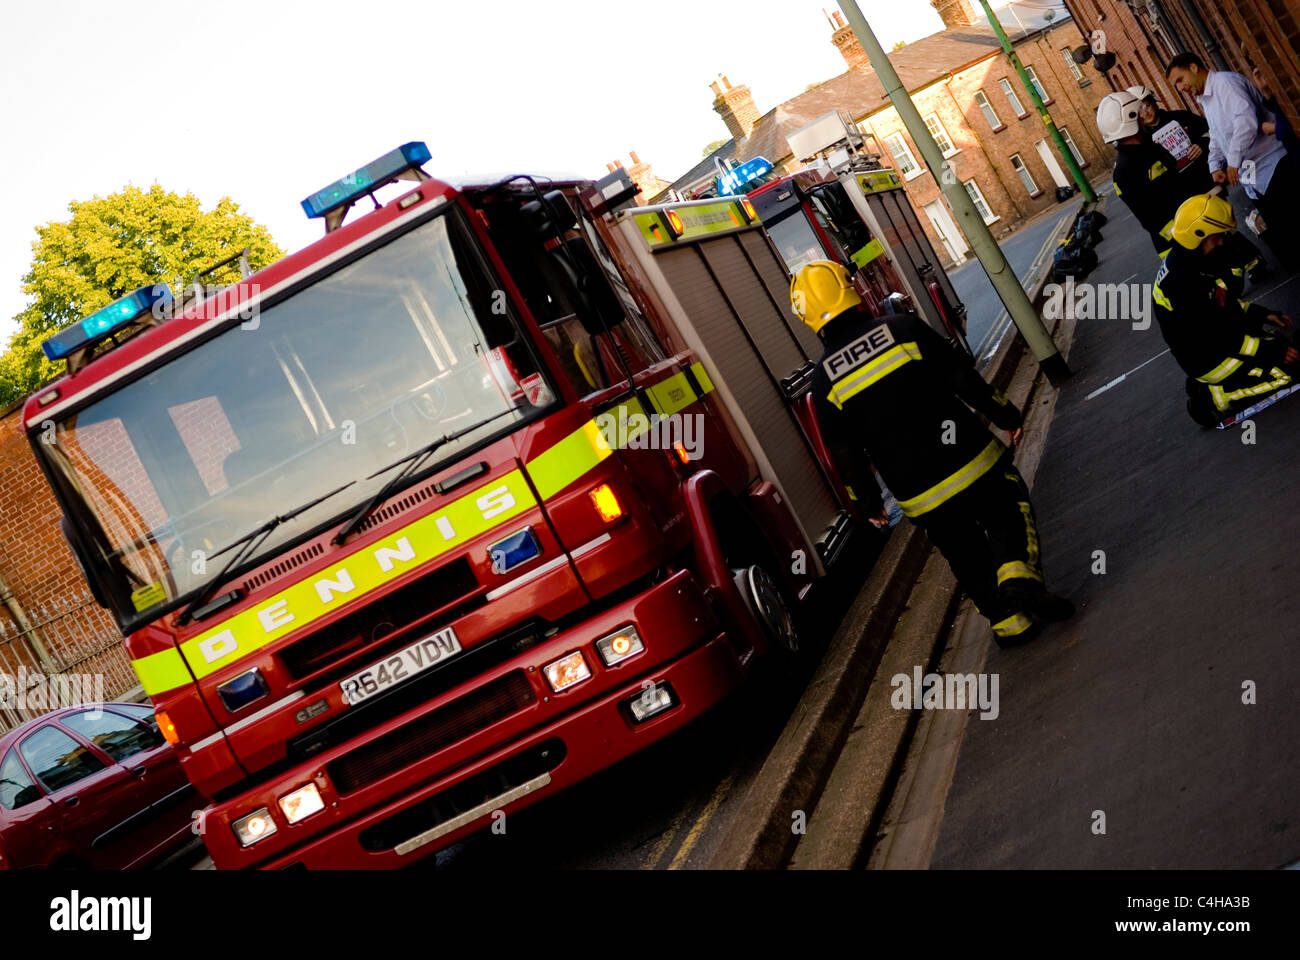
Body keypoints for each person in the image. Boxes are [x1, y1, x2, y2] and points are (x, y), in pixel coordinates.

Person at [792, 260, 1074, 648]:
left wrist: (868, 503)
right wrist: (1004, 413)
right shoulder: (902, 329)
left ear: (806, 314)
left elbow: (844, 452)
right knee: (1007, 505)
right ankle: (1017, 573)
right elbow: (961, 377)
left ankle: (1012, 625)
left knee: (963, 552)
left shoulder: (824, 380)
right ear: (850, 289)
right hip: (969, 458)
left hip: (919, 493)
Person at [1151, 194, 1298, 426]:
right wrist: (1272, 351)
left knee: (1282, 350)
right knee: (1288, 373)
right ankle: (1213, 399)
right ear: (1197, 234)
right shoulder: (1183, 283)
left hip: (1211, 342)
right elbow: (1221, 336)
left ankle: (1212, 383)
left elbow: (1222, 306)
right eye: (1216, 237)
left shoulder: (1190, 260)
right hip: (1209, 356)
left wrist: (1263, 314)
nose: (1221, 242)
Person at [1167, 53, 1300, 267]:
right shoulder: (1206, 99)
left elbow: (1246, 122)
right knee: (1287, 239)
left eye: (1180, 80)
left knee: (1294, 227)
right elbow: (1217, 135)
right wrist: (1214, 165)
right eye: (1176, 85)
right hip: (1256, 178)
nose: (1180, 88)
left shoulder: (1225, 84)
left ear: (1193, 67)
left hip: (1274, 166)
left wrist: (1233, 162)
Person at [1130, 85, 1269, 282]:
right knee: (1208, 236)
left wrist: (1201, 145)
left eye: (1148, 104)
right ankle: (1235, 269)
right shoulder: (1142, 142)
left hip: (1204, 181)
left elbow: (1211, 133)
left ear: (1154, 102)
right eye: (1141, 109)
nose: (1147, 111)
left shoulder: (1180, 117)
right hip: (1181, 194)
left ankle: (1252, 261)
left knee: (1222, 226)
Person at [1096, 90, 1192, 254]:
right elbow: (1149, 218)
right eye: (1137, 115)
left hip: (1193, 225)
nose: (1142, 117)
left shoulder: (1150, 146)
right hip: (1177, 245)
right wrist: (1183, 234)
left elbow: (1176, 176)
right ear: (1130, 120)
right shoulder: (1124, 170)